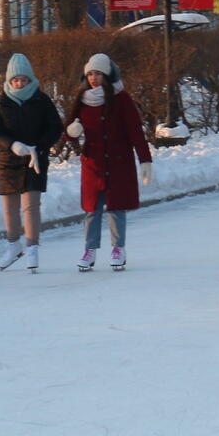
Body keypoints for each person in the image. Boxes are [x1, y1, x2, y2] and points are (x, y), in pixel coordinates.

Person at [63, 53, 153, 272]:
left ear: (108, 75)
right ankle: (90, 249)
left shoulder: (121, 98)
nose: (94, 78)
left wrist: (145, 160)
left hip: (118, 161)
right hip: (93, 164)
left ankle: (118, 248)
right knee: (92, 209)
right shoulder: (82, 98)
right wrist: (71, 132)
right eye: (90, 74)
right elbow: (69, 130)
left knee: (116, 207)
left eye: (99, 74)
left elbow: (135, 131)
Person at [0, 53, 63, 272]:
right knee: (9, 208)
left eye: (23, 79)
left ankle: (32, 248)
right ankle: (13, 245)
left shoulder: (41, 100)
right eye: (15, 80)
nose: (19, 83)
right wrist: (11, 144)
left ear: (30, 80)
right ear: (9, 81)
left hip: (34, 160)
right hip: (8, 160)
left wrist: (39, 147)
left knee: (31, 207)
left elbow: (54, 127)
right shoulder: (2, 101)